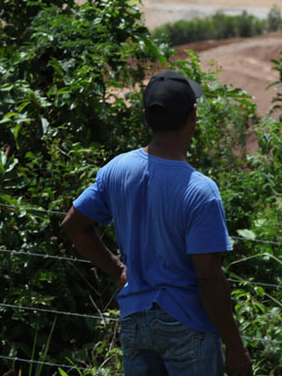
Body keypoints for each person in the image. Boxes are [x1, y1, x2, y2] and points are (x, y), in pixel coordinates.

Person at [62, 70, 253, 376]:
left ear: (146, 119)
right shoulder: (200, 190)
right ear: (192, 116)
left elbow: (74, 225)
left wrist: (119, 271)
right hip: (188, 325)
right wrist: (235, 346)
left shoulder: (117, 169)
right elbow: (208, 278)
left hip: (136, 322)